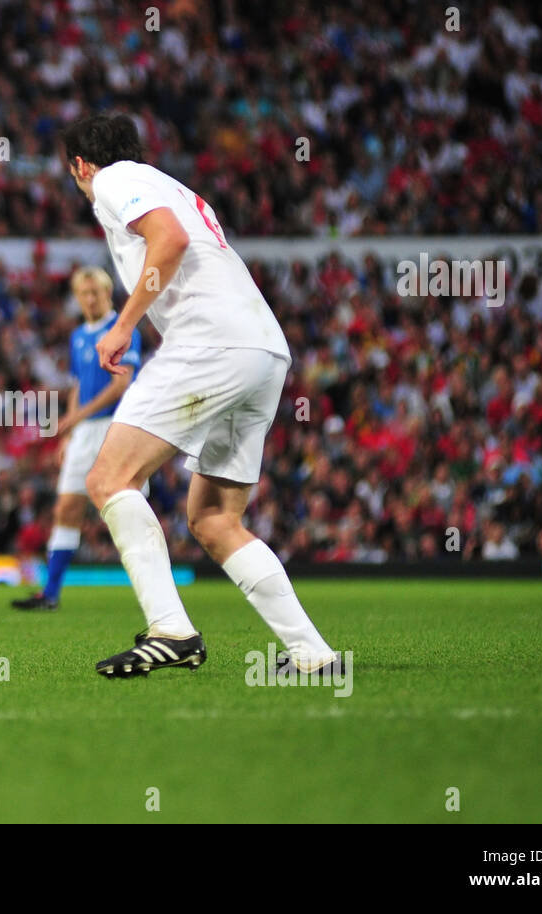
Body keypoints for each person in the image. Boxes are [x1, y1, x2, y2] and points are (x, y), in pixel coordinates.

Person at [62, 113, 339, 678]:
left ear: (80, 166)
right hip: (263, 350)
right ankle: (313, 654)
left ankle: (171, 630)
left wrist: (124, 324)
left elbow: (171, 239)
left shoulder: (114, 180)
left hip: (211, 345)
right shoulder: (171, 183)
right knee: (214, 518)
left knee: (107, 478)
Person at [10, 265, 143, 611]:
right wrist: (70, 431)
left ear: (106, 293)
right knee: (67, 507)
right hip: (85, 432)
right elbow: (79, 385)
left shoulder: (123, 329)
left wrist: (75, 417)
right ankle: (49, 593)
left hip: (119, 426)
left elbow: (120, 384)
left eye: (95, 293)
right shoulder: (79, 335)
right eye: (83, 294)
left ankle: (152, 595)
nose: (89, 299)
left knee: (128, 512)